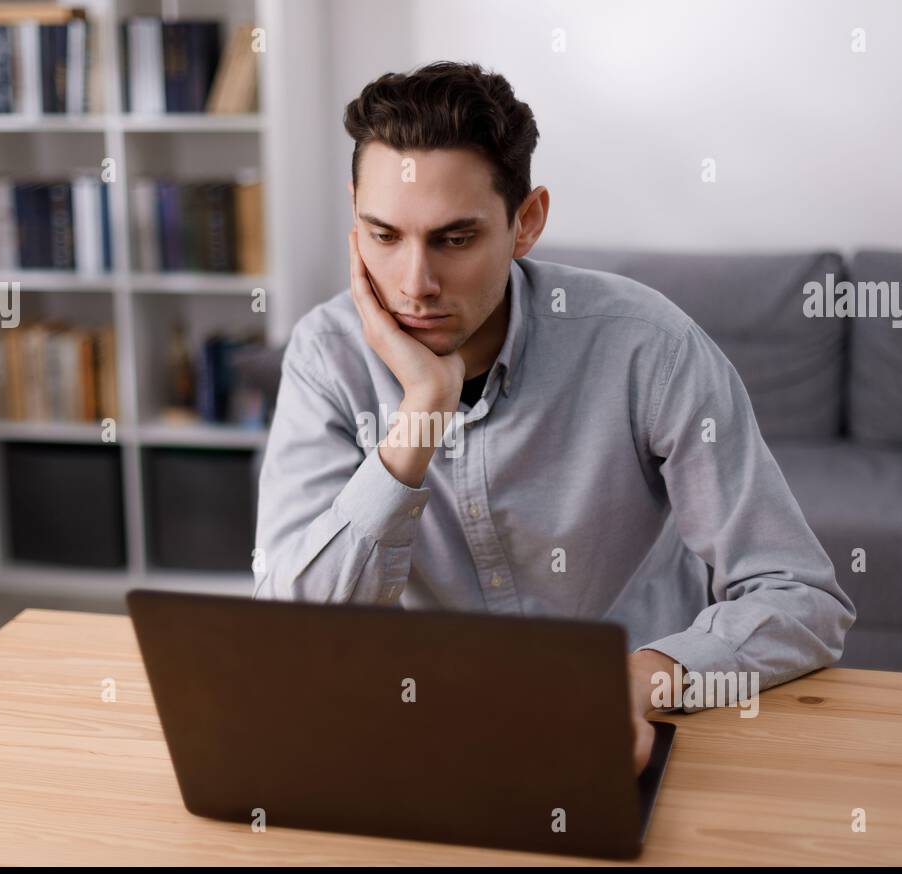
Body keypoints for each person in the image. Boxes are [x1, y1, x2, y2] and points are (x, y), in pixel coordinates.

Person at [253, 61, 855, 774]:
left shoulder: (646, 346)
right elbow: (292, 636)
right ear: (355, 215)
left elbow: (799, 595)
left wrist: (634, 683)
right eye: (383, 236)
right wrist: (419, 417)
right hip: (417, 734)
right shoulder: (326, 357)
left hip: (629, 731)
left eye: (454, 239)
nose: (415, 284)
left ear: (526, 222)